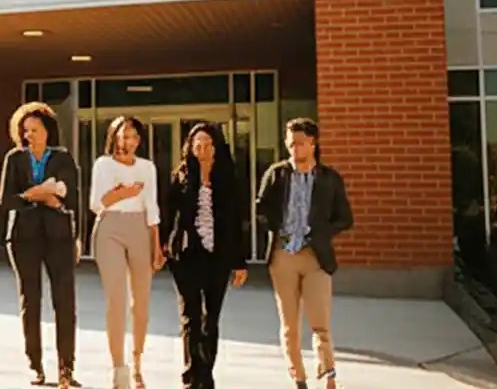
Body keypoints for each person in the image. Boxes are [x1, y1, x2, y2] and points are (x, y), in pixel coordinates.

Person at [256, 118, 354, 389]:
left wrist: (322, 233)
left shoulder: (329, 179)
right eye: (290, 144)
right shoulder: (276, 173)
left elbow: (345, 218)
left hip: (315, 257)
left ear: (313, 142)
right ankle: (298, 377)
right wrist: (276, 226)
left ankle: (328, 374)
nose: (294, 149)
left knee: (320, 321)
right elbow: (260, 206)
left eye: (299, 143)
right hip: (283, 256)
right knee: (289, 325)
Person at [0, 101, 81, 389]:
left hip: (59, 238)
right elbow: (6, 200)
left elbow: (70, 199)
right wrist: (42, 194)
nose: (29, 134)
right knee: (30, 301)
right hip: (23, 238)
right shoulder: (14, 158)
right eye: (25, 130)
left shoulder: (63, 158)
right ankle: (35, 366)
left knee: (65, 303)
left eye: (34, 129)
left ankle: (66, 369)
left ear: (48, 131)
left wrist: (34, 195)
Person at [162, 122, 248, 389]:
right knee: (191, 317)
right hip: (186, 256)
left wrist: (239, 262)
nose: (202, 150)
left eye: (207, 145)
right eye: (197, 145)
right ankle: (190, 376)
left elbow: (236, 222)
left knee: (211, 318)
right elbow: (168, 215)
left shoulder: (228, 179)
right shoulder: (181, 177)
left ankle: (206, 374)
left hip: (218, 256)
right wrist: (164, 246)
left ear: (217, 147)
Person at [89, 116, 164, 389]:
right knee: (116, 300)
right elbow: (97, 203)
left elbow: (152, 207)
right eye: (123, 135)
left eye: (133, 136)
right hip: (110, 227)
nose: (128, 141)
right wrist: (123, 193)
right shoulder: (103, 164)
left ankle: (137, 362)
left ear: (139, 140)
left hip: (141, 229)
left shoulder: (147, 167)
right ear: (114, 136)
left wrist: (157, 244)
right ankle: (119, 368)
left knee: (141, 303)